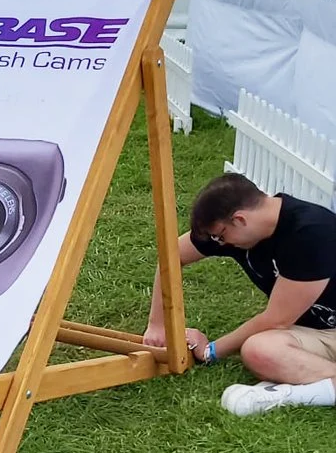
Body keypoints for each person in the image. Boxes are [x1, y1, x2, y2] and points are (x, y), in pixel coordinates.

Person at [143, 172, 336, 416]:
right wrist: (157, 325)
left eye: (221, 236)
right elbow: (171, 257)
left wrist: (211, 351)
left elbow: (277, 320)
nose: (219, 243)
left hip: (314, 330)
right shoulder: (238, 233)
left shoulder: (311, 232)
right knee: (258, 351)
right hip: (318, 332)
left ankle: (295, 394)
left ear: (240, 219)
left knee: (260, 348)